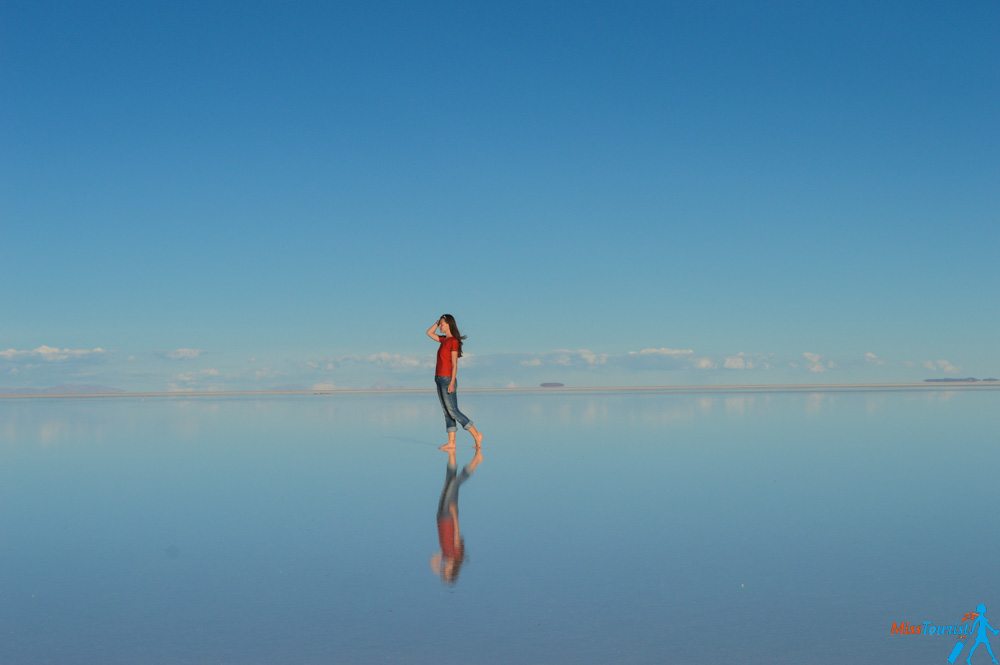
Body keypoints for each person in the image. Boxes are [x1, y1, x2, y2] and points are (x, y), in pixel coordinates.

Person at [425, 314, 484, 451]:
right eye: (440, 324)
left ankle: (477, 434)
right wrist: (437, 320)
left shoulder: (453, 341)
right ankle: (451, 443)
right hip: (438, 378)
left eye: (442, 324)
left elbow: (454, 364)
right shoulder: (443, 340)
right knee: (446, 411)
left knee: (453, 411)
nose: (440, 326)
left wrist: (452, 382)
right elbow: (428, 333)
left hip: (447, 379)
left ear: (449, 324)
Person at [429, 445, 483, 585]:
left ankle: (452, 455)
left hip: (440, 517)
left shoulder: (446, 556)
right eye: (447, 572)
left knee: (448, 481)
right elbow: (457, 534)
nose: (444, 569)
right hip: (449, 516)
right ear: (453, 570)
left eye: (444, 572)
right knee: (454, 483)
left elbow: (432, 560)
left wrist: (436, 568)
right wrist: (454, 514)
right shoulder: (456, 555)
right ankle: (476, 462)